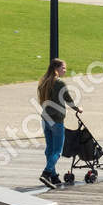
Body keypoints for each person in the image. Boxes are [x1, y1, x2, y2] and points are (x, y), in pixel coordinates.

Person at [36, 58, 76, 189]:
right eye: (63, 68)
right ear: (56, 69)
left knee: (50, 148)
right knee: (57, 151)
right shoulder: (59, 83)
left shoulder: (43, 81)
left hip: (45, 119)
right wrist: (78, 108)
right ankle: (46, 173)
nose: (65, 70)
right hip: (56, 121)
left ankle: (53, 176)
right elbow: (68, 100)